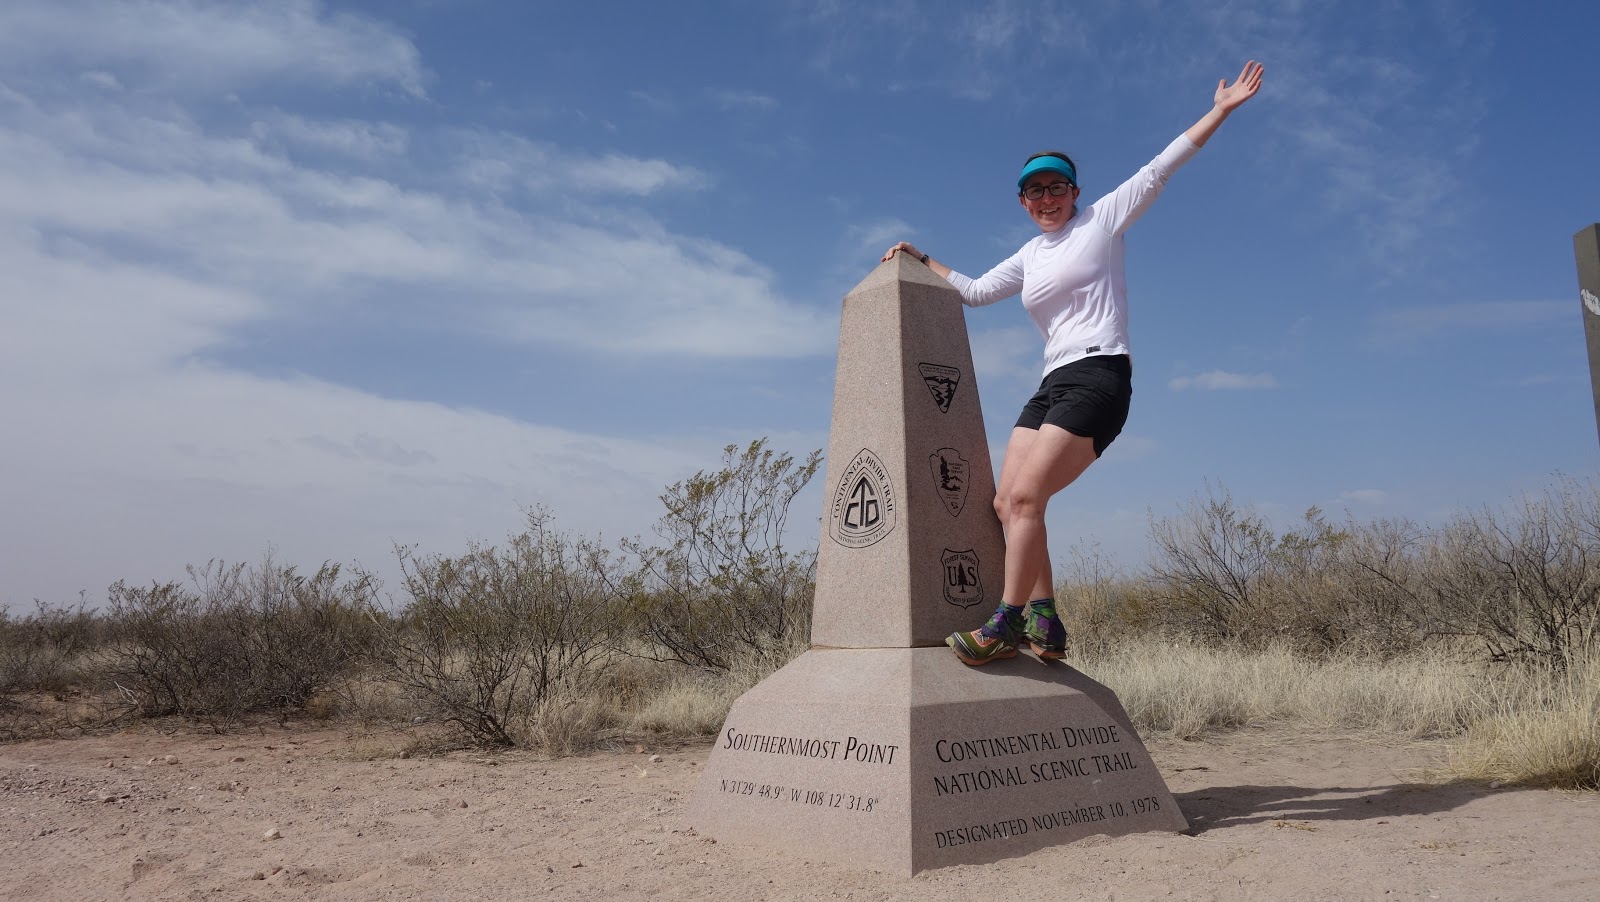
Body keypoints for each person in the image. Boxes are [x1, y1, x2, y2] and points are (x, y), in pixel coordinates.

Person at [882, 60, 1264, 666]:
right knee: (1005, 504)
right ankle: (1046, 620)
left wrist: (1218, 111)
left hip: (1100, 373)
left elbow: (1161, 167)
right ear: (1023, 201)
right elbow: (975, 292)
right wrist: (921, 258)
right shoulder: (1030, 254)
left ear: (1075, 192)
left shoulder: (1102, 220)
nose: (1047, 198)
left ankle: (1005, 623)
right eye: (1035, 191)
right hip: (1051, 384)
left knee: (1027, 498)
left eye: (1057, 187)